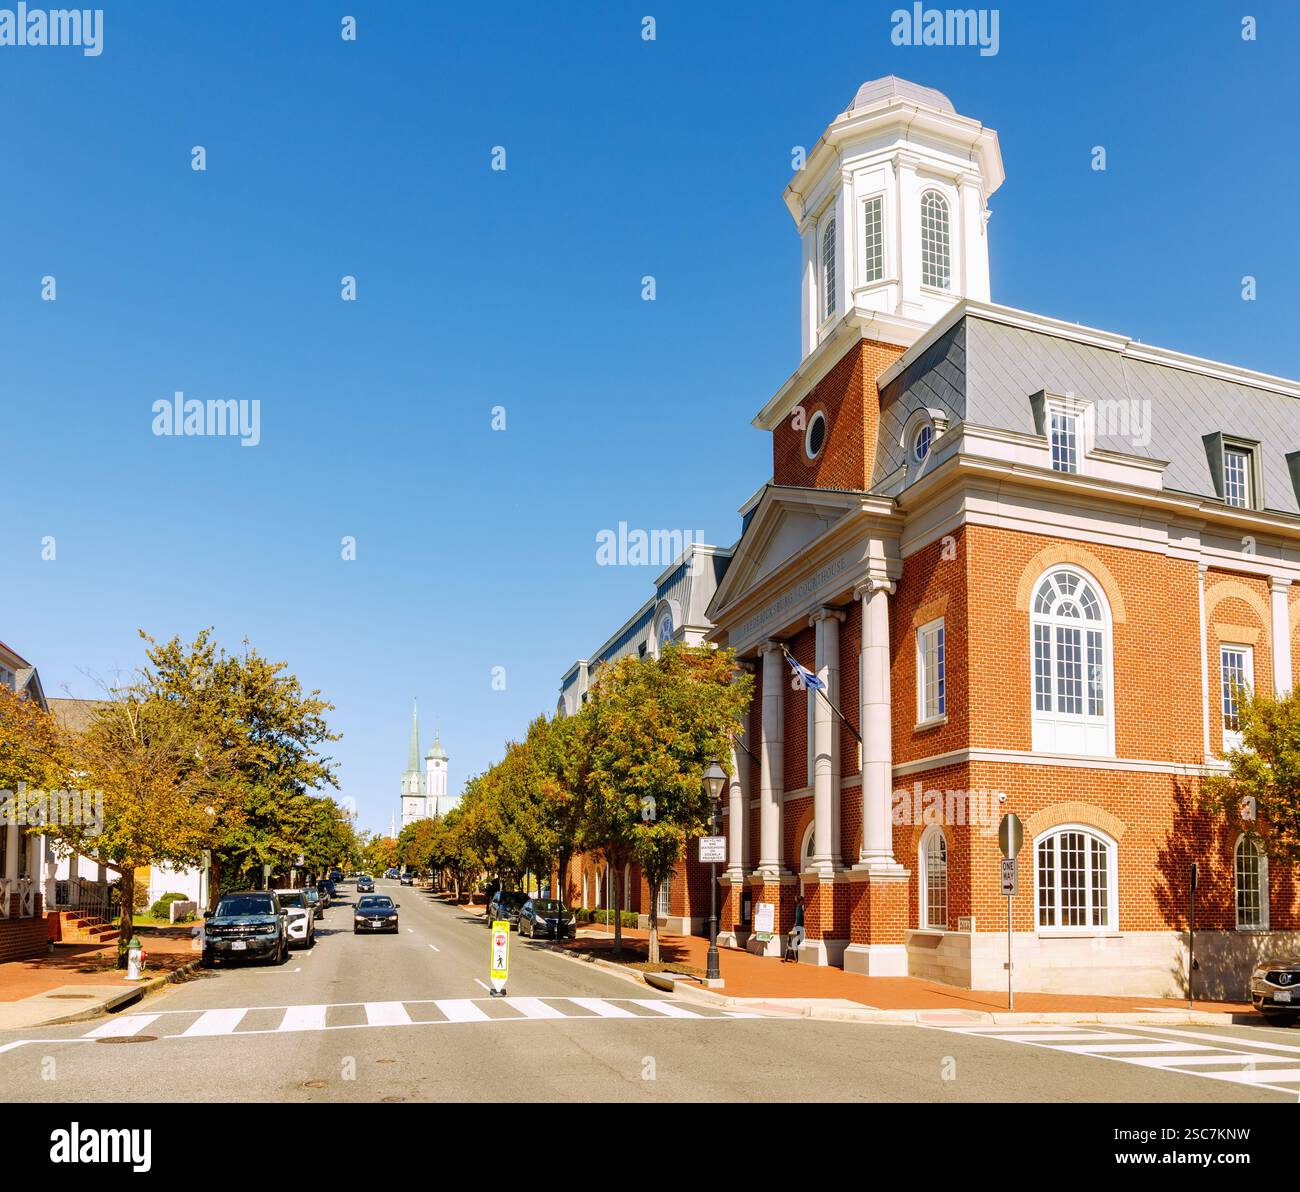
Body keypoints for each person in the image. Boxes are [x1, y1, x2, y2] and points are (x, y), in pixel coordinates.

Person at [784, 894, 806, 963]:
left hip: (797, 926)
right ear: (801, 901)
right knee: (798, 941)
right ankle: (797, 957)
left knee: (795, 941)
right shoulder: (799, 908)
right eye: (803, 900)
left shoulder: (798, 907)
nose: (804, 902)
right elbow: (800, 918)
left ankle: (794, 956)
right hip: (799, 926)